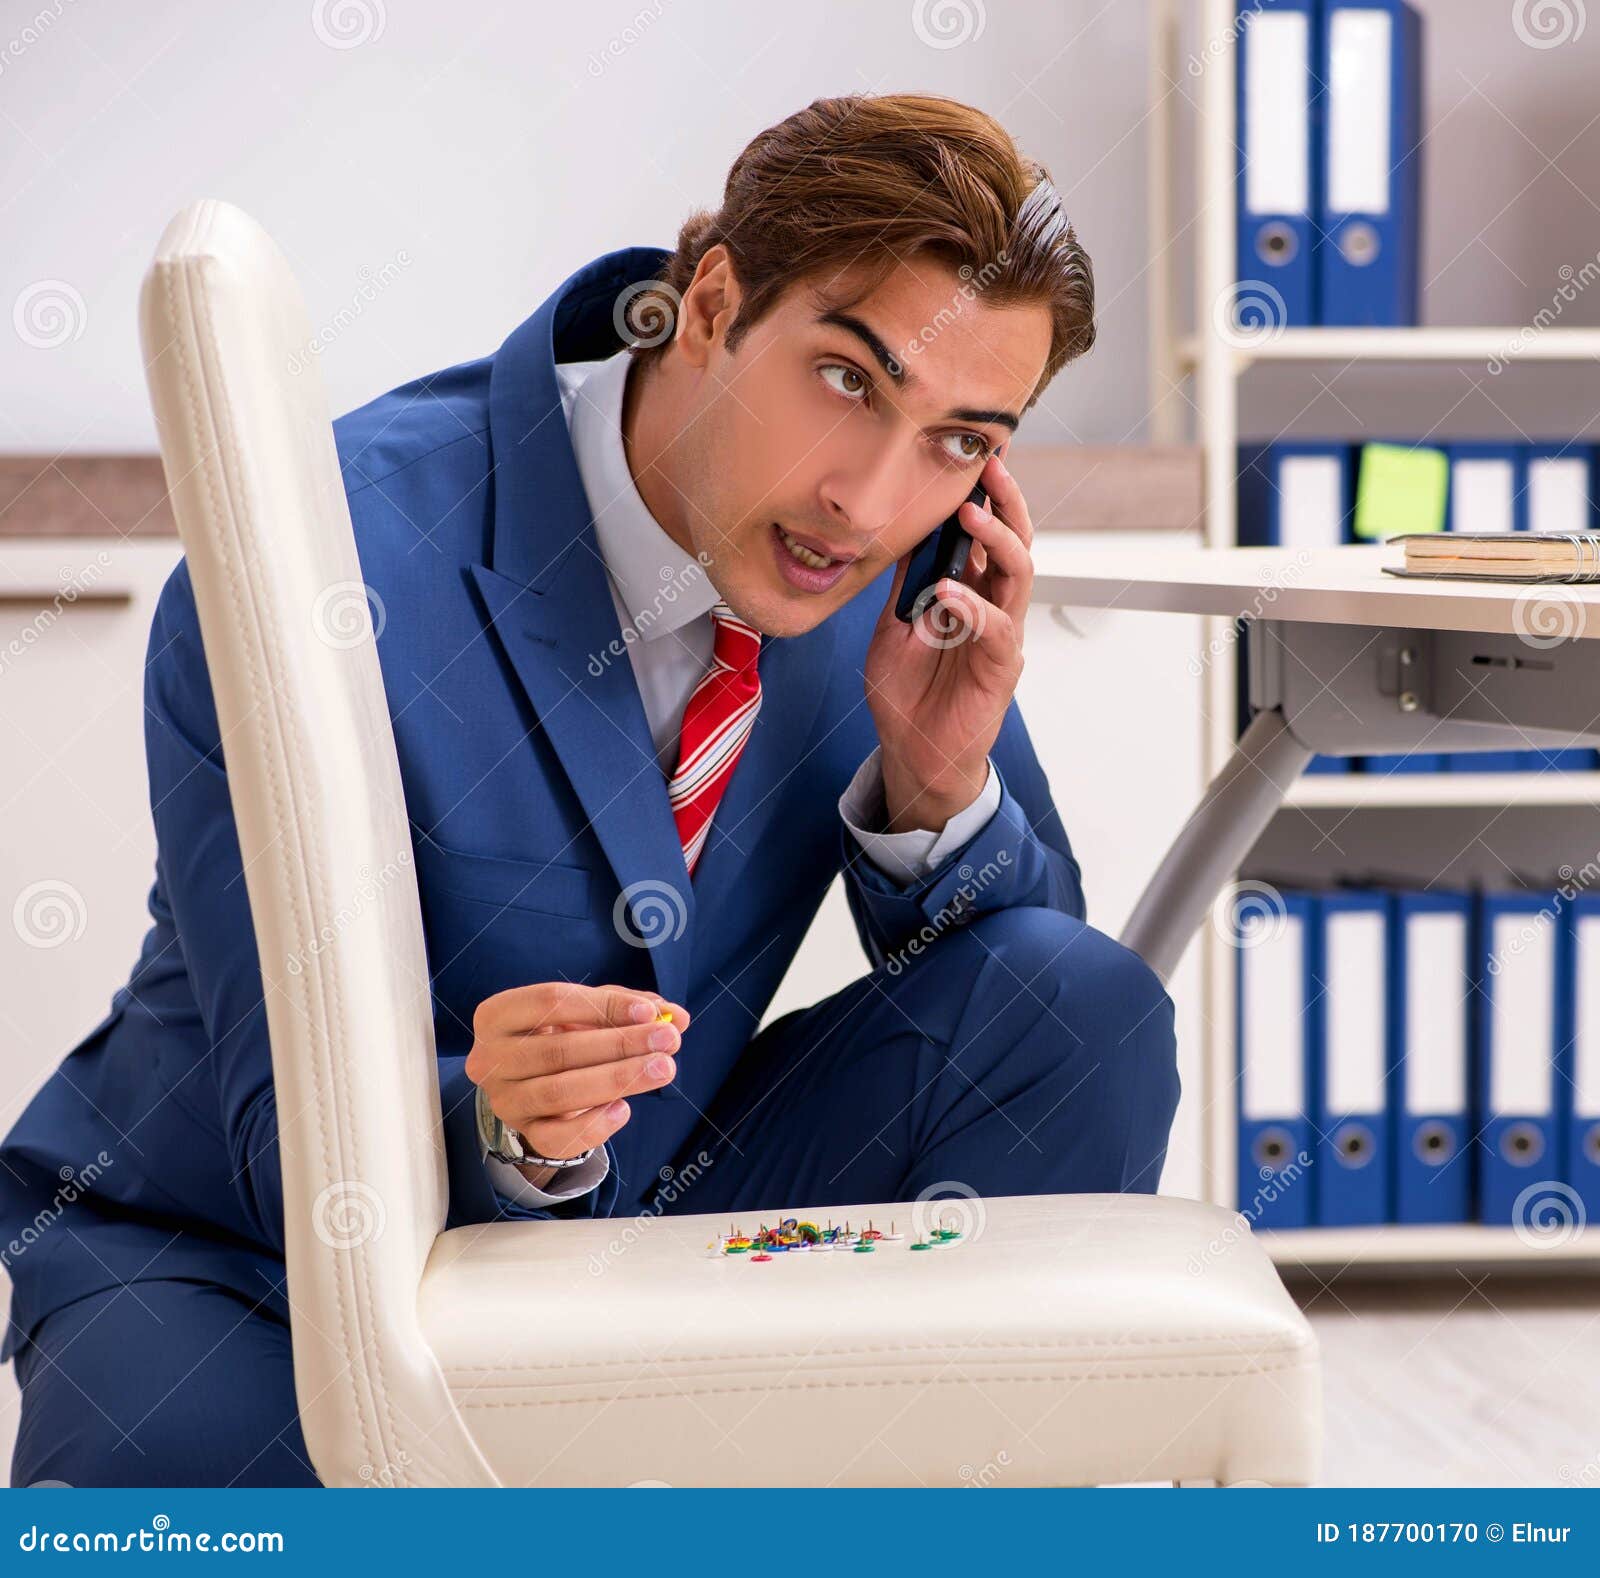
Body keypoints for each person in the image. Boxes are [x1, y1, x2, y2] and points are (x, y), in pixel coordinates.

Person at [0, 91, 1178, 1488]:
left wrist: (939, 785)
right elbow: (283, 1135)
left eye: (961, 437)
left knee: (1078, 997)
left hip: (651, 1218)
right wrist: (500, 1120)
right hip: (240, 1257)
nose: (869, 494)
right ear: (713, 300)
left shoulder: (889, 566)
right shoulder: (324, 566)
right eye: (849, 379)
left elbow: (1025, 1024)